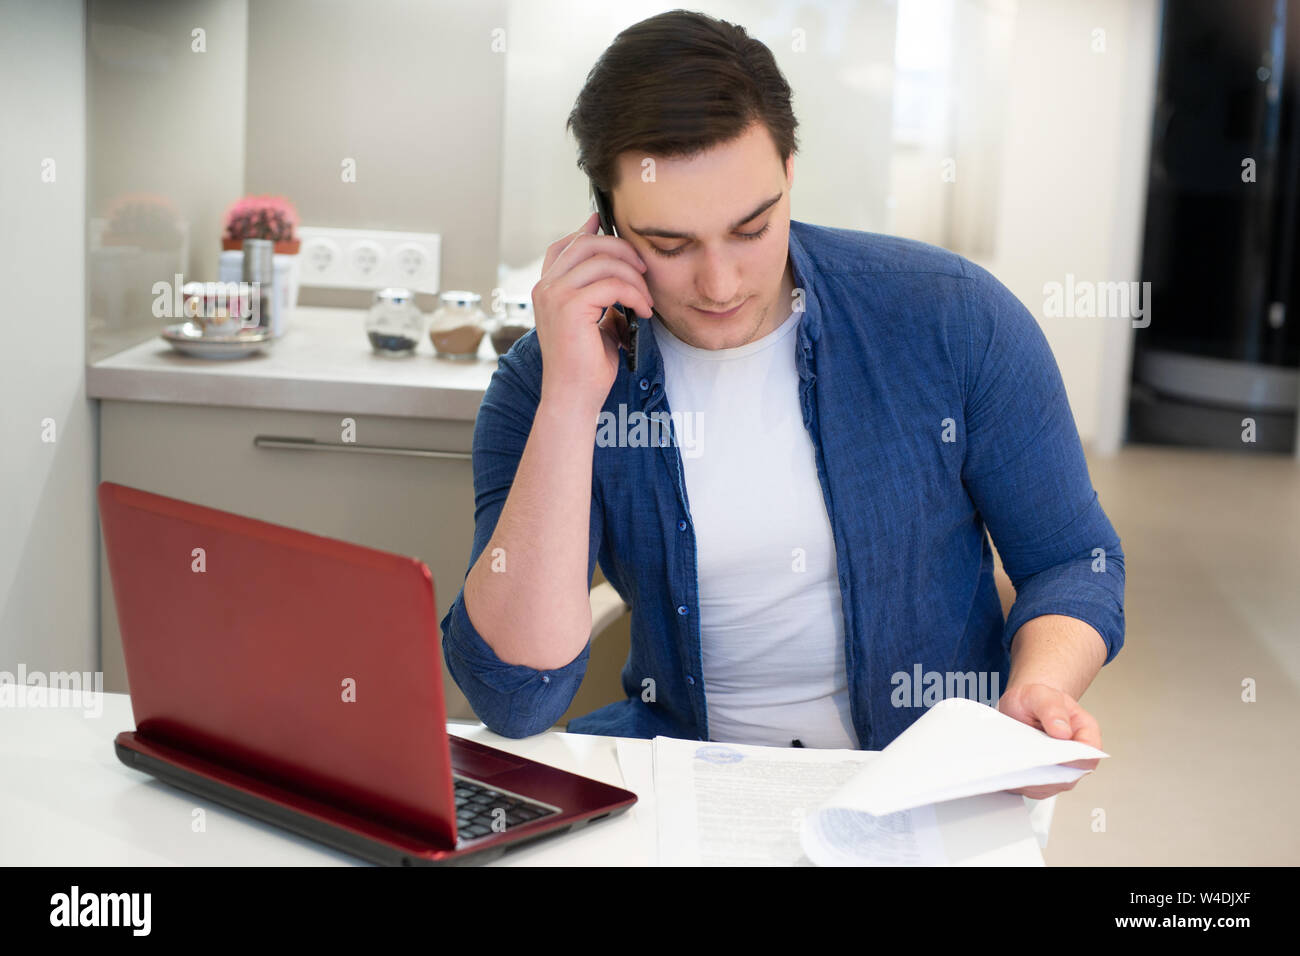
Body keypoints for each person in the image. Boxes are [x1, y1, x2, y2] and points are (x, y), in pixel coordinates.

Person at [440, 10, 1123, 800]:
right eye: (669, 246)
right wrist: (569, 400)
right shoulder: (547, 375)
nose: (721, 284)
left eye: (752, 228)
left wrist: (1039, 689)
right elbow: (515, 697)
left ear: (790, 172)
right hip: (687, 781)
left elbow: (1074, 560)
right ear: (605, 223)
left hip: (921, 778)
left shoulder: (950, 317)